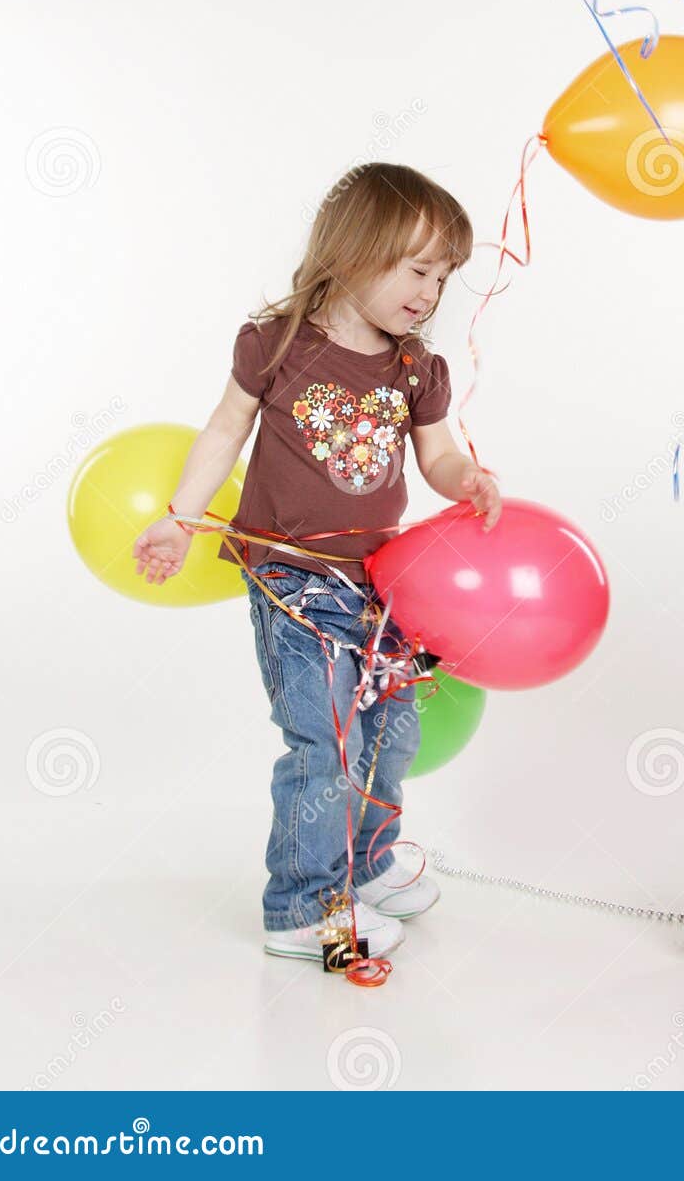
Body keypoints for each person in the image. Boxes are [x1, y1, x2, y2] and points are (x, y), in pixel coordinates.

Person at [132, 164, 502, 963]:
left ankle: (365, 865)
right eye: (417, 269)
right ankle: (303, 906)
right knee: (323, 742)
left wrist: (464, 479)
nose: (432, 291)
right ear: (355, 252)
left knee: (390, 731)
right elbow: (224, 432)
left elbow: (435, 456)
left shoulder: (414, 368)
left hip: (379, 582)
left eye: (443, 277)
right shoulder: (275, 346)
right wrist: (179, 518)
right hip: (292, 581)